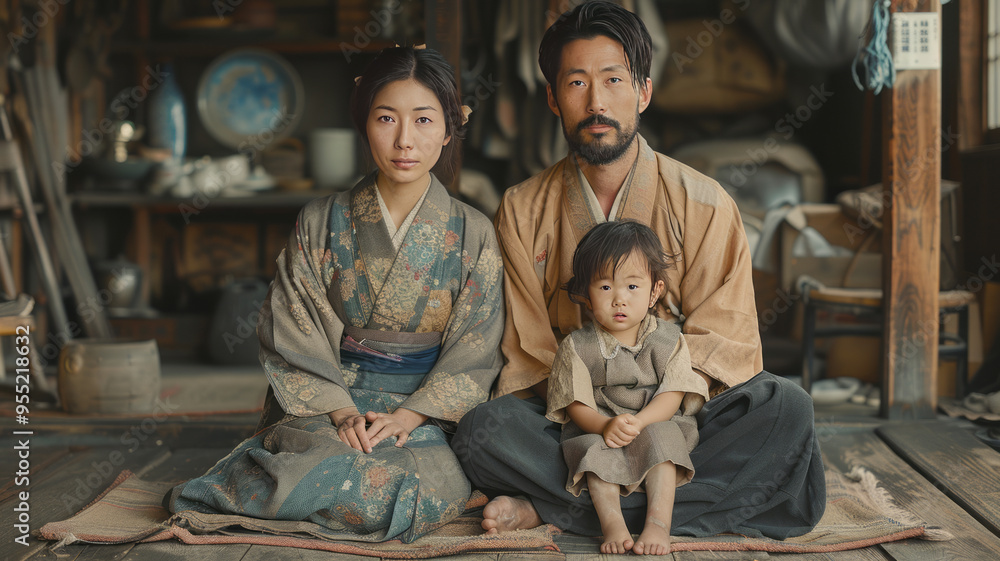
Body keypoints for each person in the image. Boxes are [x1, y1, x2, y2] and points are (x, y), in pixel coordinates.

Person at [452, 1, 826, 540]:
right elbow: (526, 352)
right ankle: (666, 511)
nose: (596, 102)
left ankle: (558, 508)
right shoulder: (521, 209)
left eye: (613, 80)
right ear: (553, 98)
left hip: (681, 415)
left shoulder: (704, 202)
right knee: (482, 431)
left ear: (644, 92)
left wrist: (653, 409)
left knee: (786, 408)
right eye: (577, 83)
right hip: (576, 417)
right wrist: (596, 412)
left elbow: (725, 342)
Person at [169, 46, 505, 543]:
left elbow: (477, 346)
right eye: (386, 118)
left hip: (422, 416)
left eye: (423, 120)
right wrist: (341, 411)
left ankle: (309, 503)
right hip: (327, 408)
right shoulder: (320, 221)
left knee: (413, 481)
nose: (404, 139)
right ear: (364, 123)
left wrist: (410, 415)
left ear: (448, 129)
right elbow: (294, 325)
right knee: (310, 467)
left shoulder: (473, 232)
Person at [549, 220, 709, 554]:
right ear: (586, 294)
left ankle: (658, 524)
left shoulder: (669, 339)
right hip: (600, 423)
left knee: (664, 441)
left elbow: (673, 392)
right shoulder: (576, 346)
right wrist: (604, 426)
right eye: (605, 287)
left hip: (655, 421)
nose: (619, 299)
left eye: (632, 286)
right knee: (592, 452)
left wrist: (640, 422)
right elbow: (575, 401)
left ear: (655, 292)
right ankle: (612, 525)